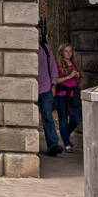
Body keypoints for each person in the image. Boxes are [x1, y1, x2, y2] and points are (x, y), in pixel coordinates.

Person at [37, 28, 62, 156]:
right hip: (31, 89)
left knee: (48, 116)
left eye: (40, 33)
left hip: (46, 88)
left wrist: (53, 84)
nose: (38, 35)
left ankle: (53, 145)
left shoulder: (46, 48)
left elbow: (52, 66)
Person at [55, 44, 81, 151]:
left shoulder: (74, 64)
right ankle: (67, 144)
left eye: (70, 51)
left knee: (76, 118)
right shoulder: (57, 64)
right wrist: (69, 76)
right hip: (62, 95)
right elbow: (56, 80)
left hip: (73, 95)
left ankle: (65, 134)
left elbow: (76, 82)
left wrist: (77, 77)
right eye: (66, 51)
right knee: (63, 120)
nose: (69, 53)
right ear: (61, 52)